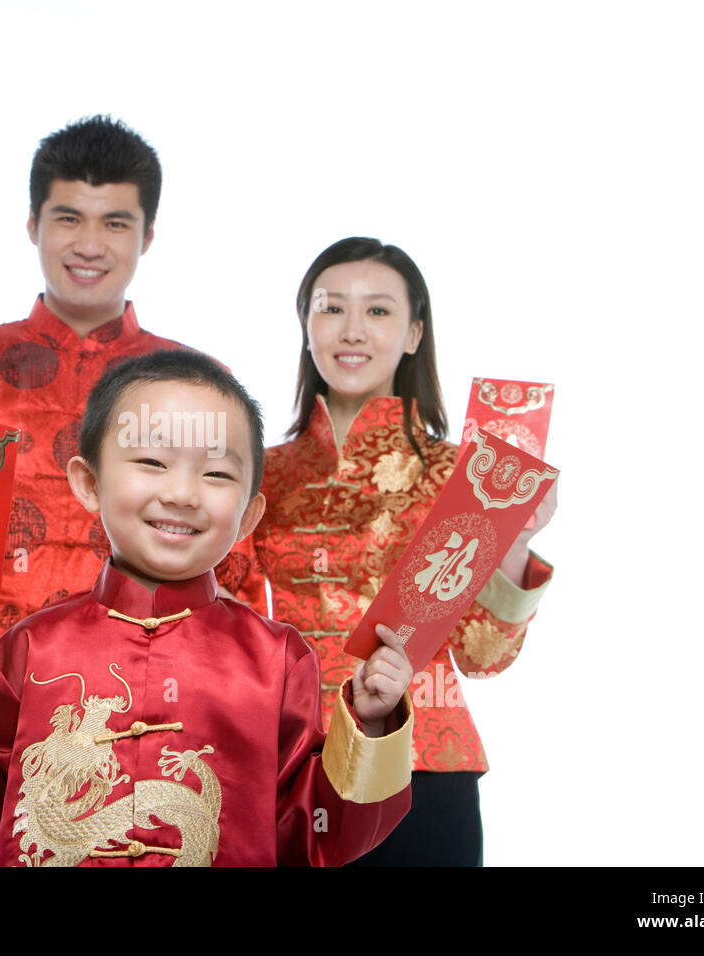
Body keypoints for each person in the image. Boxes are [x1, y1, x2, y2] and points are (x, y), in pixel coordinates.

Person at [0, 115, 259, 864]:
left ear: (148, 236)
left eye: (115, 222)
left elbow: (238, 560)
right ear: (33, 223)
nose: (90, 245)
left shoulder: (193, 383)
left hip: (134, 719)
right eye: (68, 218)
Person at [0, 350, 416, 866]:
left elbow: (315, 835)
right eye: (152, 462)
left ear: (250, 514)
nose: (182, 493)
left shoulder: (277, 658)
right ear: (89, 483)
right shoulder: (29, 646)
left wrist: (370, 727)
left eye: (216, 475)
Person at [241, 238, 556, 866]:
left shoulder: (459, 476)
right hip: (291, 760)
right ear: (306, 327)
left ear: (414, 332)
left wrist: (516, 541)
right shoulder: (256, 474)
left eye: (379, 312)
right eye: (331, 308)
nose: (352, 330)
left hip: (426, 763)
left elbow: (484, 656)